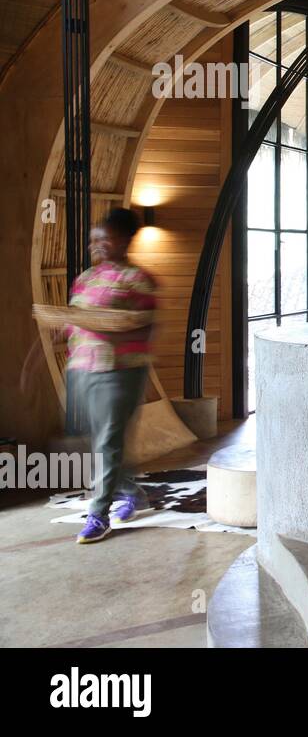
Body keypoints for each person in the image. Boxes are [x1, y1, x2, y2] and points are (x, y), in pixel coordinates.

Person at [65, 208, 158, 544]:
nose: (97, 245)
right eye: (94, 240)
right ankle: (135, 493)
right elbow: (71, 322)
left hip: (120, 372)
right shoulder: (86, 278)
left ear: (124, 241)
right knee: (103, 446)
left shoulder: (137, 279)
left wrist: (104, 330)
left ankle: (98, 515)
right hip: (82, 369)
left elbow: (145, 329)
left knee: (108, 444)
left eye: (105, 239)